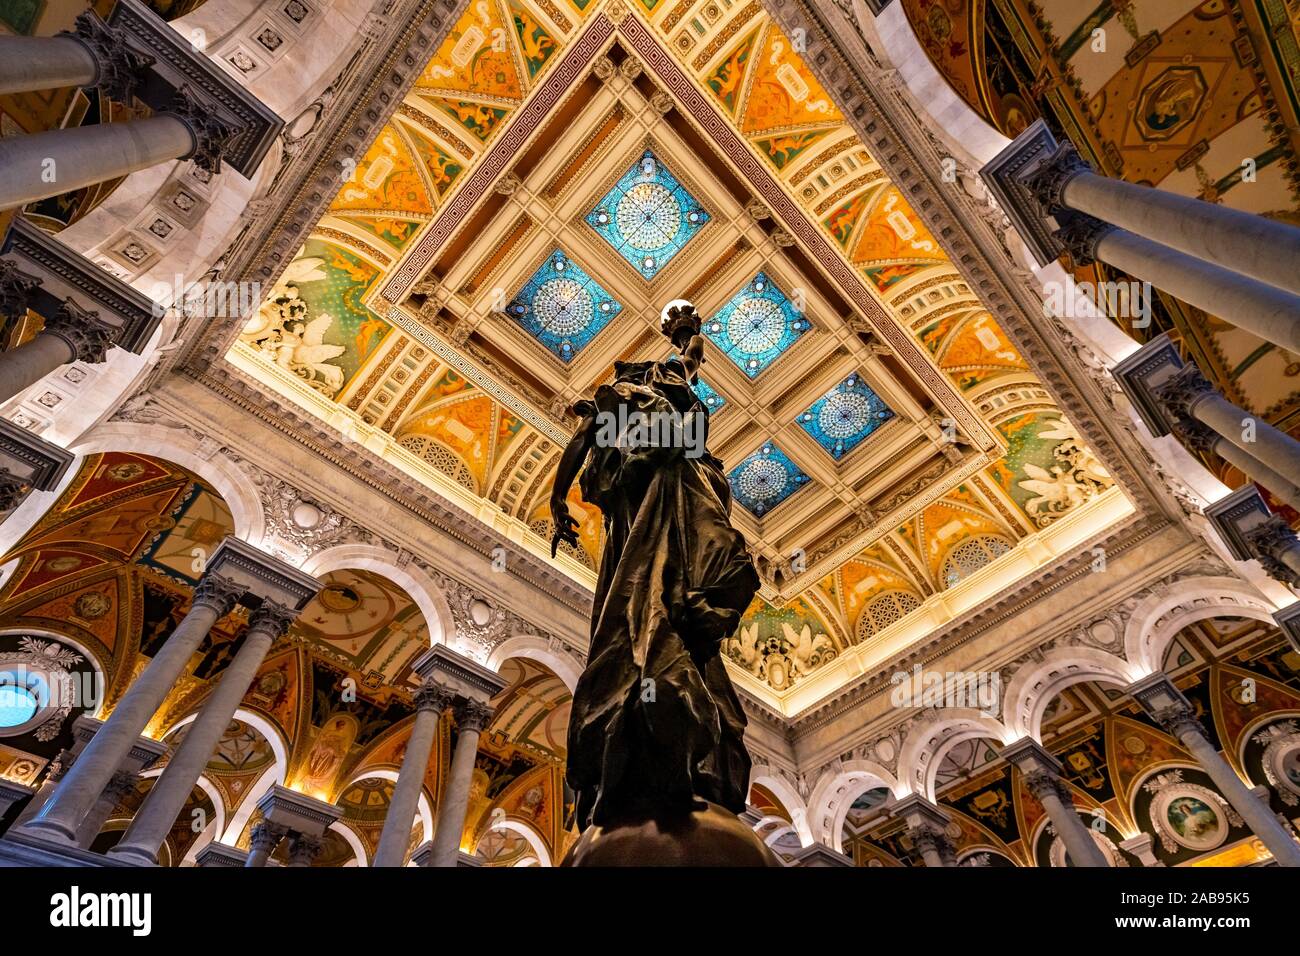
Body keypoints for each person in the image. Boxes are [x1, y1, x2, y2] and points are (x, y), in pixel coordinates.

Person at [549, 299, 760, 830]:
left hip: (685, 477)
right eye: (647, 377)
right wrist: (557, 499)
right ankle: (657, 667)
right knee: (645, 594)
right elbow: (583, 440)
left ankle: (694, 613)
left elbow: (691, 358)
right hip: (645, 492)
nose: (657, 380)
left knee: (724, 559)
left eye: (661, 377)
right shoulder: (626, 399)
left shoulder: (673, 393)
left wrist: (687, 330)